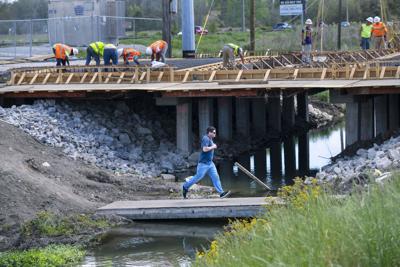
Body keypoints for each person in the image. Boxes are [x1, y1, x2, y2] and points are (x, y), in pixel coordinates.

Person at [182, 126, 231, 199]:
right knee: (197, 178)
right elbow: (204, 149)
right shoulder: (205, 138)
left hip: (210, 163)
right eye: (214, 132)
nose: (215, 134)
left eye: (215, 132)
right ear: (209, 133)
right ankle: (185, 186)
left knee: (216, 177)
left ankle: (221, 193)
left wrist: (212, 146)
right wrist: (213, 147)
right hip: (203, 164)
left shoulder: (210, 139)